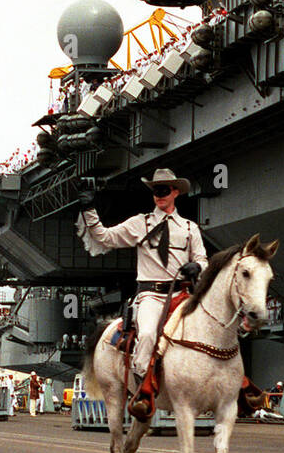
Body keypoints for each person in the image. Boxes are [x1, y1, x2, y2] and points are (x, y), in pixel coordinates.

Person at [76, 170, 209, 420]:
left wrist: (198, 267)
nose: (160, 195)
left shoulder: (190, 228)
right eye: (156, 190)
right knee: (147, 334)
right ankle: (143, 390)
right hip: (151, 295)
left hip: (182, 294)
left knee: (213, 330)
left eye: (165, 190)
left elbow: (202, 258)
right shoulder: (140, 223)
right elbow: (103, 237)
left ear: (176, 192)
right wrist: (88, 207)